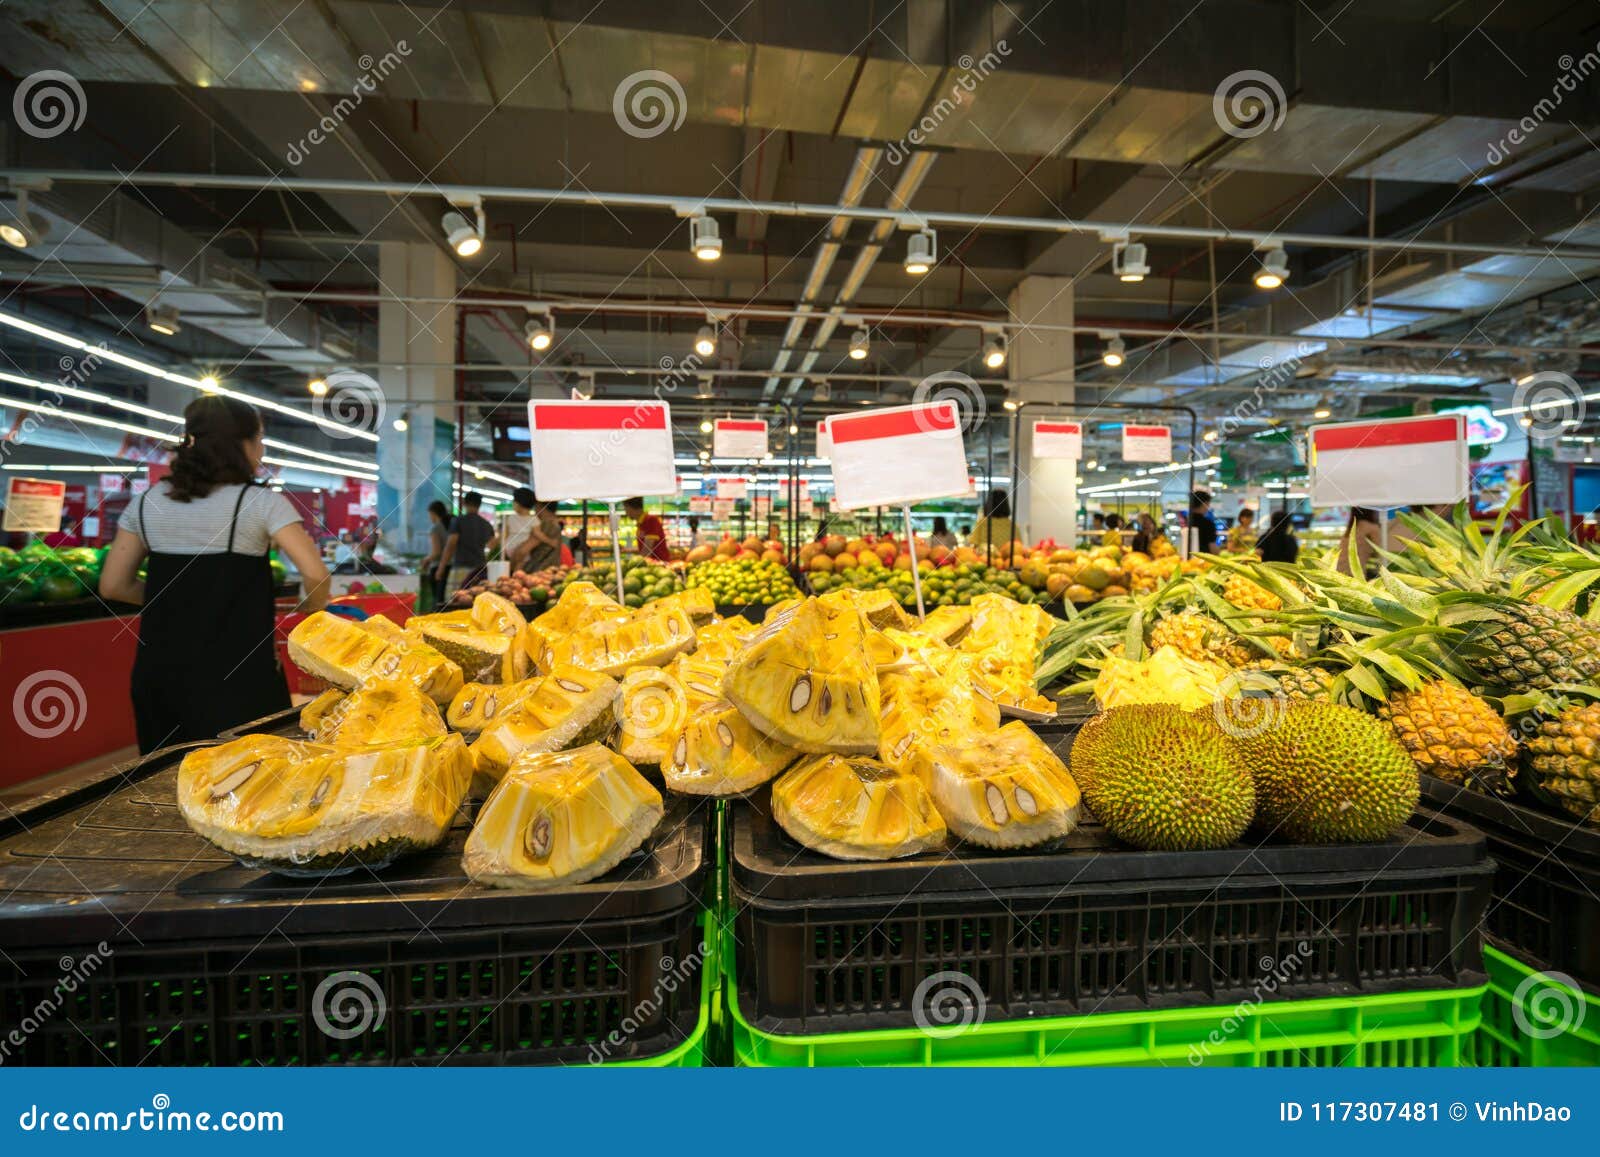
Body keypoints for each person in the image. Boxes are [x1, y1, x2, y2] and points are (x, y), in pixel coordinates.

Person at [99, 395, 330, 753]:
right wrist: (310, 613)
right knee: (254, 779)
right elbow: (316, 574)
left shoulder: (146, 502)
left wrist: (176, 600)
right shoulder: (259, 503)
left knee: (169, 781)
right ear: (244, 444)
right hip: (241, 678)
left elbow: (114, 585)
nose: (263, 448)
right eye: (260, 438)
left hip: (161, 677)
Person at [436, 491, 493, 595]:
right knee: (476, 601)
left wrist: (441, 568)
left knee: (456, 601)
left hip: (461, 569)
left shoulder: (458, 521)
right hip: (480, 570)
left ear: (464, 503)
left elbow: (450, 546)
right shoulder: (487, 524)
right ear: (479, 505)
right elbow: (492, 545)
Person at [488, 487, 538, 570]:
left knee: (511, 568)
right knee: (519, 566)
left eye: (514, 501)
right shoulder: (534, 519)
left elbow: (504, 535)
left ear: (519, 503)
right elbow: (537, 534)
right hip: (524, 551)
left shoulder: (511, 518)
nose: (513, 503)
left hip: (509, 549)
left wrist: (495, 542)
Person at [1336, 506, 1383, 577]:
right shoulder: (1371, 527)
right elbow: (1381, 550)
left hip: (1338, 569)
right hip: (1354, 572)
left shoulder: (1350, 528)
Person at [970, 489, 1014, 561]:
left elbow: (974, 545)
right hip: (1006, 563)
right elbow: (1018, 547)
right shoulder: (1013, 526)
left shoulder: (982, 523)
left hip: (985, 562)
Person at [422, 500, 452, 606]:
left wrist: (426, 559)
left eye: (430, 514)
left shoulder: (435, 528)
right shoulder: (450, 525)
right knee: (446, 601)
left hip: (439, 568)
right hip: (451, 567)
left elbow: (436, 552)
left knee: (438, 601)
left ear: (433, 513)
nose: (430, 517)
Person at [523, 499, 563, 573]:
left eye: (536, 507)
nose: (535, 511)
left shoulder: (546, 525)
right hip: (551, 570)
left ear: (541, 507)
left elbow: (525, 549)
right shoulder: (555, 524)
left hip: (539, 571)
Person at [624, 496, 670, 562]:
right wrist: (626, 550)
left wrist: (637, 563)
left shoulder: (650, 520)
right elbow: (644, 547)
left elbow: (647, 549)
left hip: (659, 564)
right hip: (651, 564)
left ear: (630, 508)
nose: (626, 513)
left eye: (626, 509)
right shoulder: (641, 523)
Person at [1189, 489, 1218, 554]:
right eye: (1208, 504)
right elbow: (1212, 548)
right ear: (1205, 504)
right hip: (1204, 561)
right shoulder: (1208, 524)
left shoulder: (1186, 521)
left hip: (1187, 559)